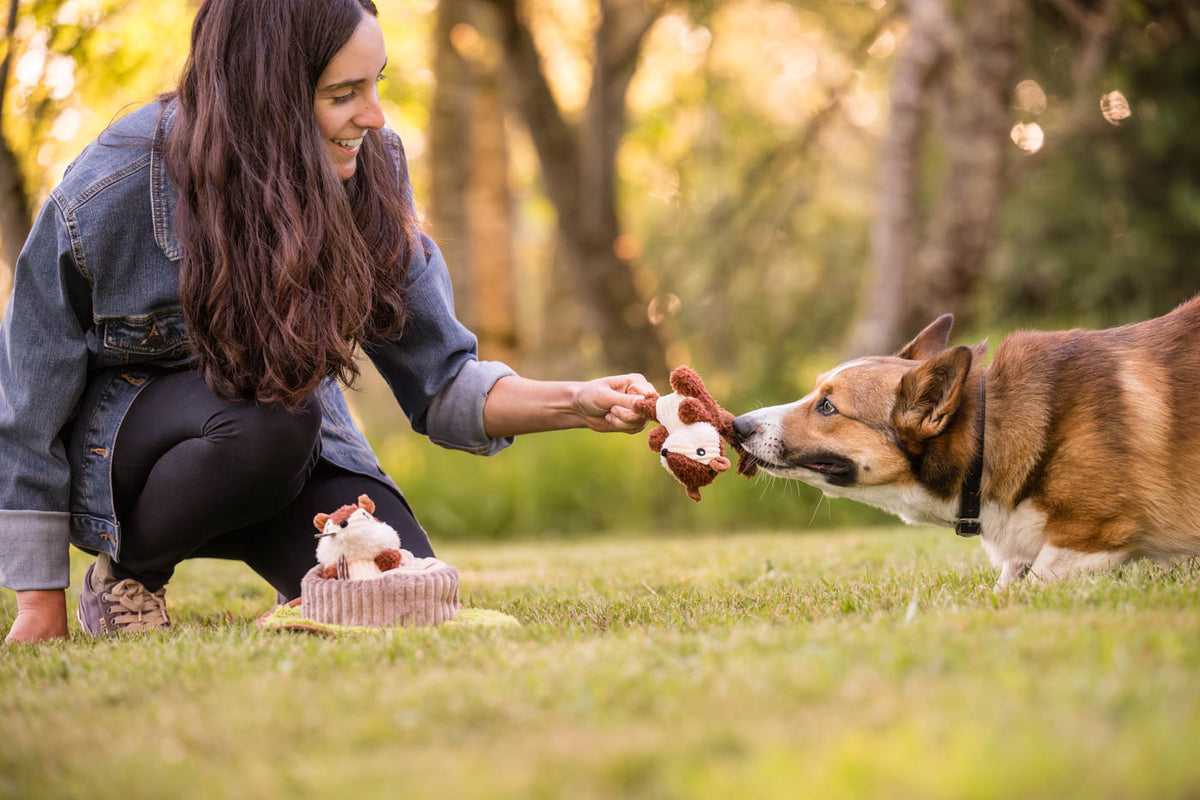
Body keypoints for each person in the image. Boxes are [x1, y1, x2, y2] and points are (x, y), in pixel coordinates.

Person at [0, 0, 654, 644]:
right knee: (270, 421)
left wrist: (578, 401)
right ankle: (130, 575)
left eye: (377, 84)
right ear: (268, 96)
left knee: (400, 585)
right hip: (126, 458)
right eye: (344, 94)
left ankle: (292, 573)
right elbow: (27, 398)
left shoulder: (371, 175)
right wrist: (37, 601)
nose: (373, 116)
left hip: (283, 443)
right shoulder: (111, 188)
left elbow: (444, 381)